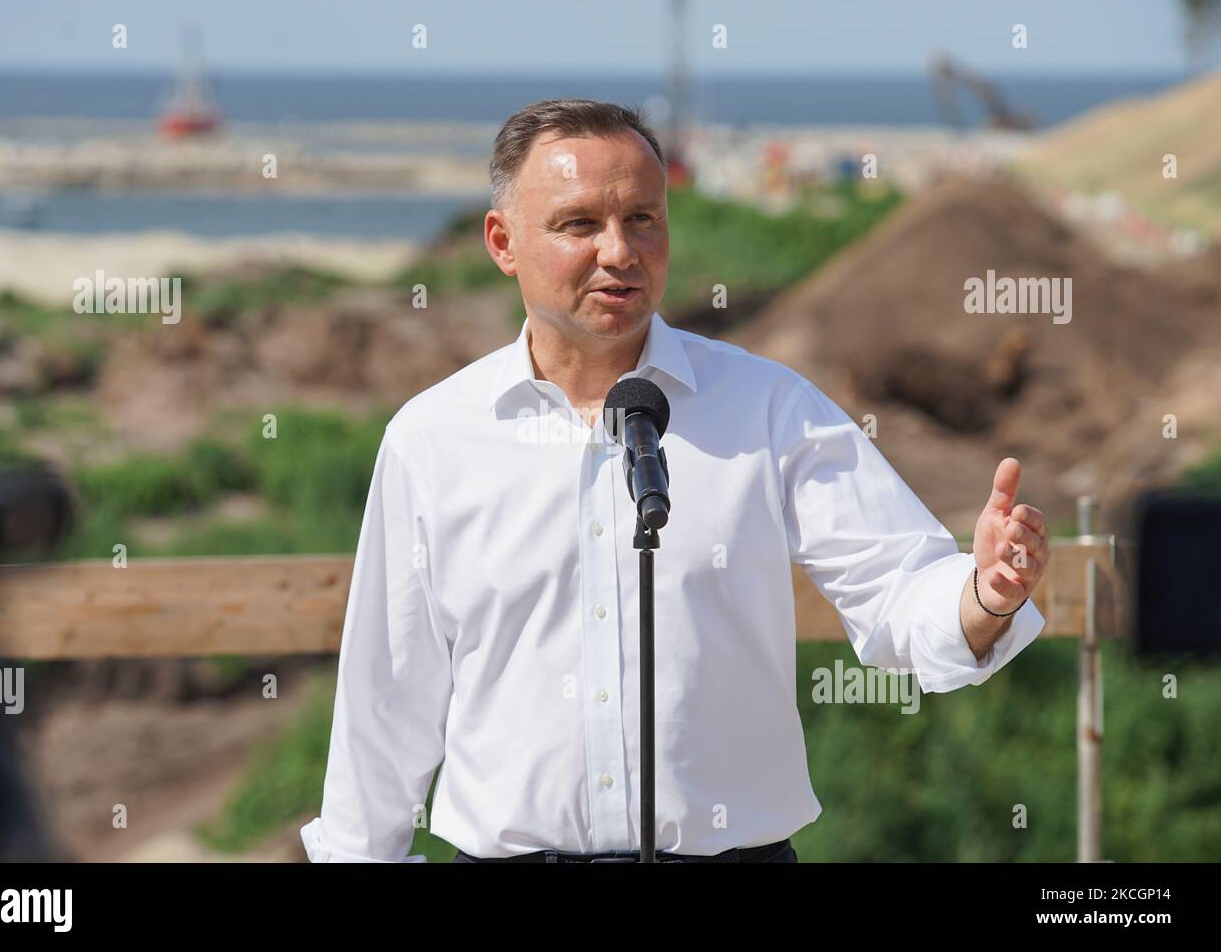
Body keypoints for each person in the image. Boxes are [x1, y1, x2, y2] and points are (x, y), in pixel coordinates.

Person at [300, 99, 1050, 863]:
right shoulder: (432, 440)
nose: (619, 251)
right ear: (504, 242)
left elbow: (901, 590)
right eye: (579, 224)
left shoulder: (769, 408)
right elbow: (384, 711)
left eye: (643, 219)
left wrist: (985, 594)